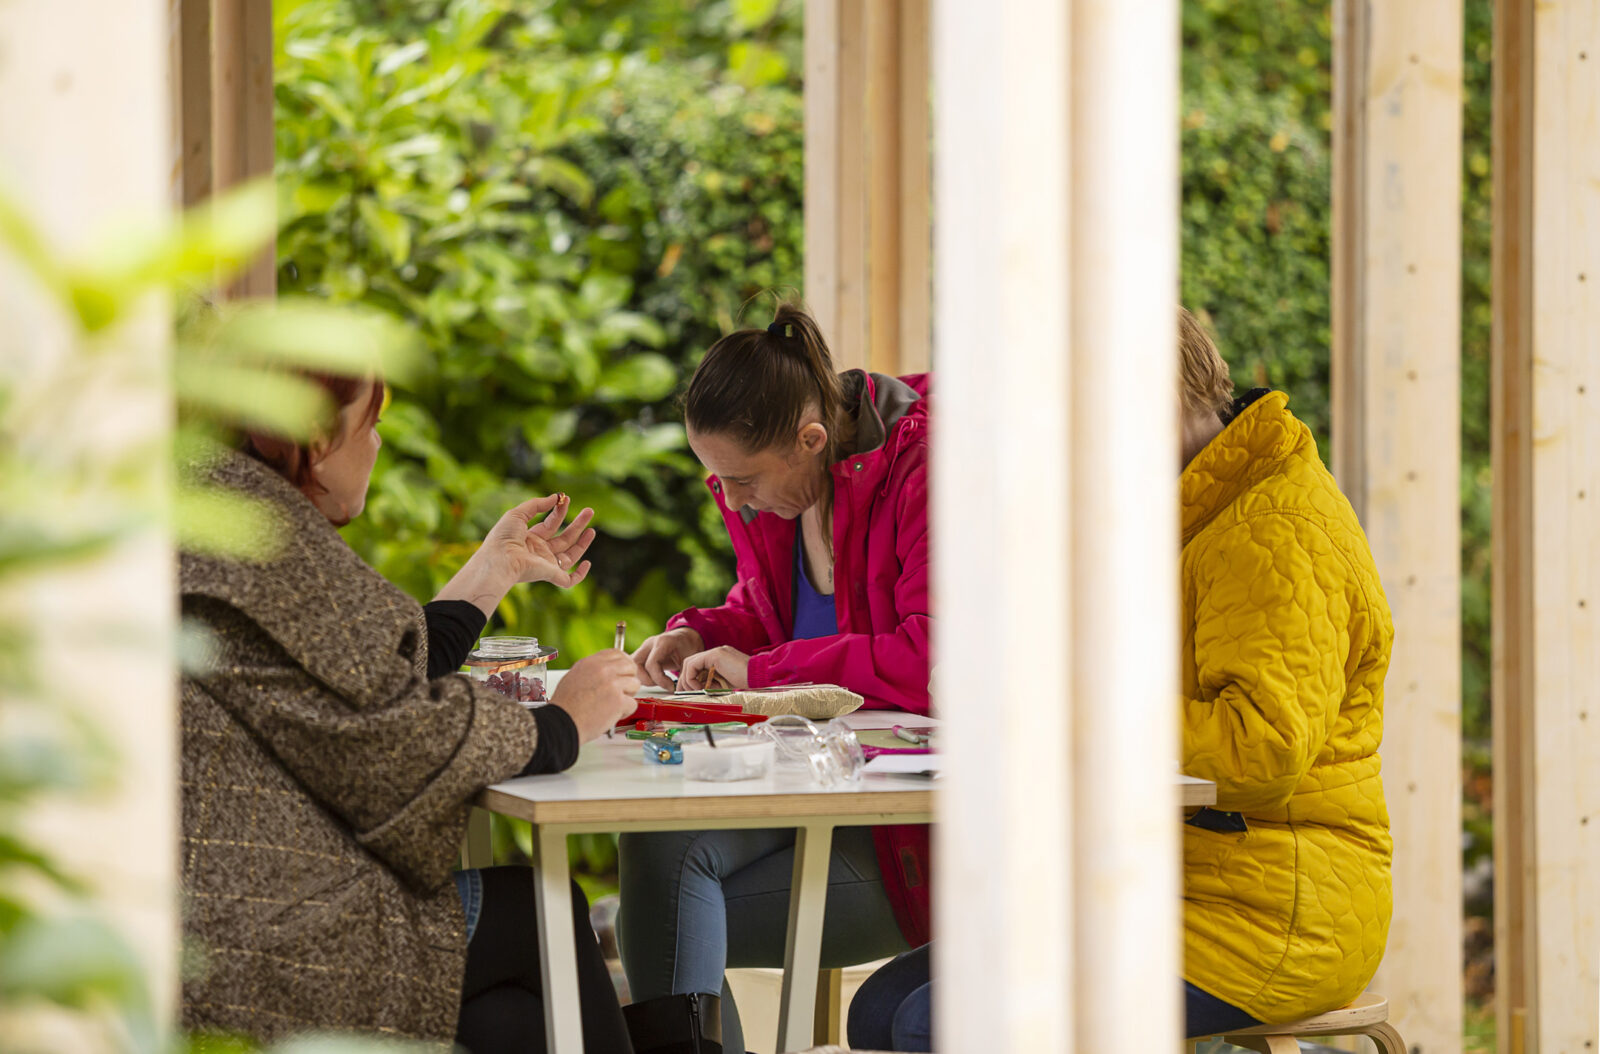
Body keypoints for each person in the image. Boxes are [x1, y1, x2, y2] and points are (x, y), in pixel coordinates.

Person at [847, 308, 1395, 1048]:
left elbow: (1259, 750)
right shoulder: (1185, 508)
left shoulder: (1276, 532)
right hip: (1167, 883)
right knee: (880, 1008)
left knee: (934, 1023)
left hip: (1273, 910)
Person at [180, 369, 641, 1052]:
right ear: (314, 438)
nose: (377, 445)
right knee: (542, 910)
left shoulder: (216, 516)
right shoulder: (262, 548)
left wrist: (494, 570)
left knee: (509, 1021)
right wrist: (565, 722)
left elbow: (359, 677)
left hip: (214, 920)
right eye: (371, 425)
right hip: (261, 944)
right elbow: (398, 741)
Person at [619, 302, 932, 1054]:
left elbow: (931, 662)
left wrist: (760, 669)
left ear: (812, 439)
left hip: (913, 833)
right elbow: (770, 619)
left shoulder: (929, 472)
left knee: (664, 911)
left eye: (742, 479)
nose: (731, 499)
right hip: (815, 787)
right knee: (655, 847)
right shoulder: (785, 498)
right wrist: (702, 633)